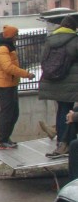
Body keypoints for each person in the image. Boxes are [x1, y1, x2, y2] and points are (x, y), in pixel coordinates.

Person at [0, 25, 36, 148]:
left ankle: (5, 138)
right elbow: (8, 67)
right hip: (4, 85)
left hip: (9, 84)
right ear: (10, 36)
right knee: (8, 113)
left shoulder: (6, 46)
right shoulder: (2, 48)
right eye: (16, 35)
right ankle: (2, 139)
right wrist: (26, 74)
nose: (17, 37)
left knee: (14, 112)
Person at [38, 15, 78, 158]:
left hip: (53, 82)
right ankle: (65, 143)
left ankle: (60, 140)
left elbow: (43, 59)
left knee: (62, 109)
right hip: (71, 83)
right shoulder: (74, 40)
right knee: (70, 111)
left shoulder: (50, 40)